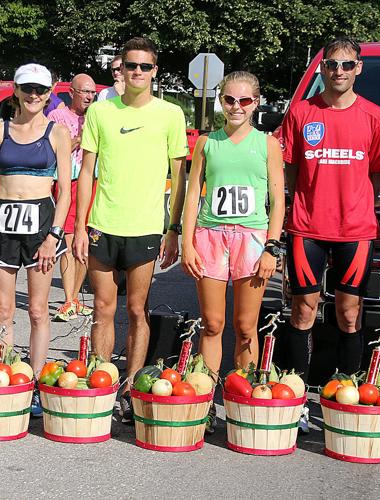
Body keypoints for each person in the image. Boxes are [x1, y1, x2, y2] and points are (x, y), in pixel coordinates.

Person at [279, 37, 380, 433]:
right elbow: (290, 167)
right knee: (302, 311)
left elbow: (377, 174)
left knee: (348, 314)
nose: (338, 71)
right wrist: (301, 203)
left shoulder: (376, 118)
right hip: (307, 226)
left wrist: (356, 204)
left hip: (355, 230)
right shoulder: (301, 112)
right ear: (322, 68)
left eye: (346, 64)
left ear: (358, 68)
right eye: (331, 64)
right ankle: (295, 401)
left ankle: (342, 397)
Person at [73, 37, 188, 424]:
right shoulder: (101, 113)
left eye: (145, 66)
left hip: (145, 228)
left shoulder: (170, 114)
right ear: (120, 69)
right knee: (103, 308)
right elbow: (86, 171)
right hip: (102, 226)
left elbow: (179, 176)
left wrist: (174, 230)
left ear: (156, 71)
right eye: (131, 65)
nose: (137, 72)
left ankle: (133, 383)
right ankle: (104, 379)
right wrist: (78, 226)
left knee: (137, 308)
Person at [181, 71, 285, 433]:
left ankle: (243, 401)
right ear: (220, 101)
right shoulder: (207, 142)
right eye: (229, 100)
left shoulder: (267, 144)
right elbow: (193, 193)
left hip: (252, 240)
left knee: (245, 327)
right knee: (212, 324)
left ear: (256, 103)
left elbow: (278, 199)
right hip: (211, 237)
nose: (236, 107)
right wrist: (186, 241)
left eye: (244, 101)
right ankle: (206, 401)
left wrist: (272, 246)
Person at [0, 63, 72, 416]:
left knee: (36, 310)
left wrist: (53, 236)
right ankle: (3, 374)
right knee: (3, 309)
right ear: (17, 90)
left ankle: (34, 381)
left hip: (41, 224)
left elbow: (64, 191)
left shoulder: (56, 132)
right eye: (28, 89)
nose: (34, 95)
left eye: (41, 90)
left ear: (49, 94)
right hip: (3, 224)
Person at [48, 73, 97, 321]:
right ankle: (68, 299)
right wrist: (79, 138)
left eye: (92, 93)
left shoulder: (96, 116)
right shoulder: (57, 117)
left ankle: (75, 298)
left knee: (86, 241)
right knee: (68, 241)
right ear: (71, 92)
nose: (89, 97)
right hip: (68, 180)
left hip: (92, 181)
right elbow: (52, 152)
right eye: (85, 92)